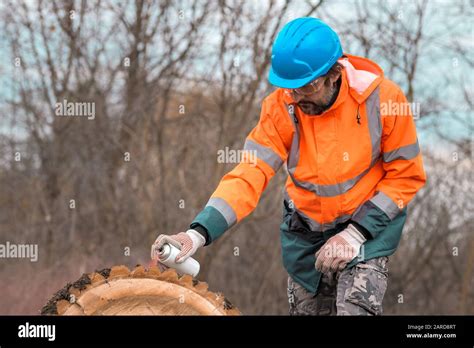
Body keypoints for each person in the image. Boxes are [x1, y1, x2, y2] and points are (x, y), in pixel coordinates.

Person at [151, 17, 426, 315]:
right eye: (289, 88)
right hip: (306, 236)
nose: (296, 97)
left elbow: (406, 176)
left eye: (306, 87)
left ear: (334, 74)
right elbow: (249, 174)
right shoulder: (281, 108)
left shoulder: (384, 100)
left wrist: (355, 233)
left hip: (366, 232)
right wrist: (197, 233)